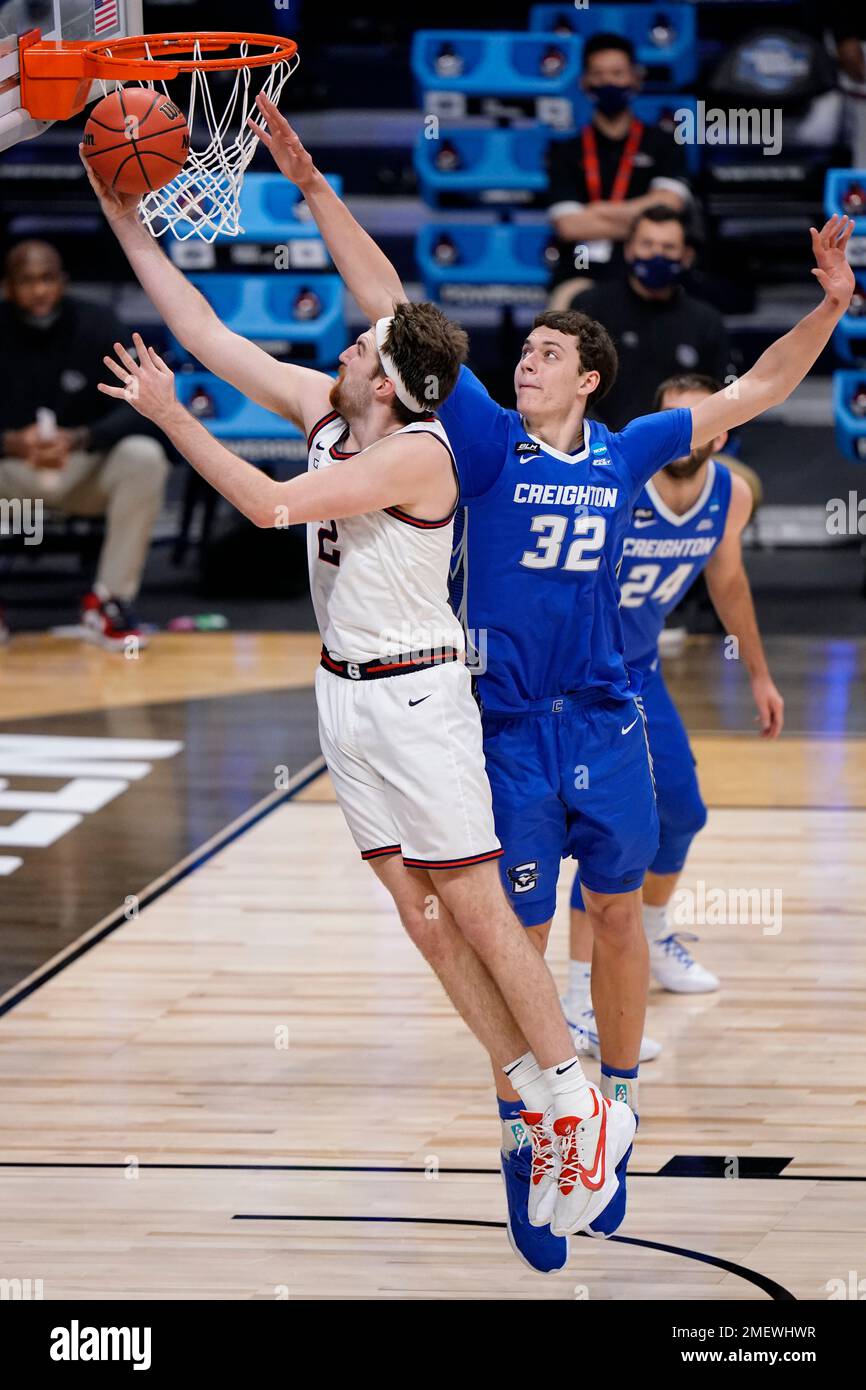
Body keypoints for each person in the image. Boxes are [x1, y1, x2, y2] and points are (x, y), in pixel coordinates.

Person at [247, 95, 853, 1268]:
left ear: (588, 380)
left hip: (608, 711)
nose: (521, 356)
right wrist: (315, 186)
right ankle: (532, 1139)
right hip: (500, 725)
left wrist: (829, 306)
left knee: (616, 916)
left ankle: (613, 1114)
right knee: (510, 940)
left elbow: (753, 393)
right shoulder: (475, 439)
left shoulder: (630, 448)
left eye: (544, 352)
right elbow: (388, 302)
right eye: (519, 348)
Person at [84, 154, 637, 1266]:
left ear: (385, 382)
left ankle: (582, 1106)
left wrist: (169, 419)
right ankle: (535, 1093)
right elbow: (206, 334)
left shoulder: (418, 454)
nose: (339, 347)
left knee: (476, 912)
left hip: (420, 698)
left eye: (356, 348)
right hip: (344, 699)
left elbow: (268, 500)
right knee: (419, 916)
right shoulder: (330, 406)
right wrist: (125, 217)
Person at [563, 373, 784, 1061]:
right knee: (607, 835)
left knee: (682, 814)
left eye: (693, 423)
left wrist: (758, 673)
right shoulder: (620, 486)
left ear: (720, 431)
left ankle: (653, 935)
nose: (677, 436)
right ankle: (576, 1003)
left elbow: (727, 581)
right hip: (577, 678)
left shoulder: (731, 495)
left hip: (640, 674)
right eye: (668, 422)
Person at [0, 241, 169, 649]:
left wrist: (81, 438)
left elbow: (141, 403)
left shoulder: (97, 323)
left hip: (81, 467)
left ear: (63, 282)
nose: (39, 291)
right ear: (8, 288)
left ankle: (109, 602)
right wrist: (9, 442)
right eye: (26, 281)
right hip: (11, 474)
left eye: (47, 279)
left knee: (143, 458)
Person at [546, 32, 691, 308]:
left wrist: (599, 211)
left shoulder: (664, 143)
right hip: (583, 267)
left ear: (636, 79)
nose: (608, 82)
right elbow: (569, 226)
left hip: (650, 264)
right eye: (599, 74)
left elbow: (669, 207)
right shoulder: (565, 150)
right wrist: (642, 221)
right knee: (563, 309)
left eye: (617, 73)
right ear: (584, 82)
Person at [573, 206, 734, 430]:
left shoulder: (706, 321)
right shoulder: (589, 307)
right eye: (647, 244)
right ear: (629, 249)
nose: (656, 254)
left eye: (668, 247)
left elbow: (727, 395)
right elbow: (568, 384)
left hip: (679, 449)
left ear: (686, 256)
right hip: (600, 446)